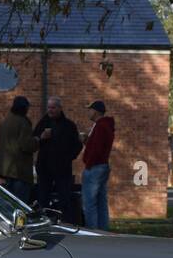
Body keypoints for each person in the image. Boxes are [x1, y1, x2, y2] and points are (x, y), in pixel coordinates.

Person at [33, 96, 83, 218]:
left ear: (60, 108)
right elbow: (33, 141)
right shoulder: (43, 123)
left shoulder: (69, 125)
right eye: (49, 107)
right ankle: (44, 221)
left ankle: (66, 222)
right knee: (43, 198)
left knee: (64, 199)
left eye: (53, 107)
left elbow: (77, 145)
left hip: (62, 169)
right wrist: (41, 137)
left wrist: (68, 158)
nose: (50, 110)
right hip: (45, 168)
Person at [0, 96, 39, 203]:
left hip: (5, 170)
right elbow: (26, 145)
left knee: (8, 203)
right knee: (20, 205)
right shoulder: (23, 122)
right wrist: (37, 140)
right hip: (19, 171)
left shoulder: (6, 121)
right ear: (25, 108)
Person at [81, 100, 115, 230]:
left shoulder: (100, 126)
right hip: (102, 166)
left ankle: (92, 231)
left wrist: (88, 163)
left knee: (89, 203)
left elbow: (97, 149)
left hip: (95, 167)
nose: (88, 112)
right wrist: (87, 141)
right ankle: (103, 230)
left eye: (89, 110)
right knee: (101, 202)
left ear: (95, 111)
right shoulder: (105, 125)